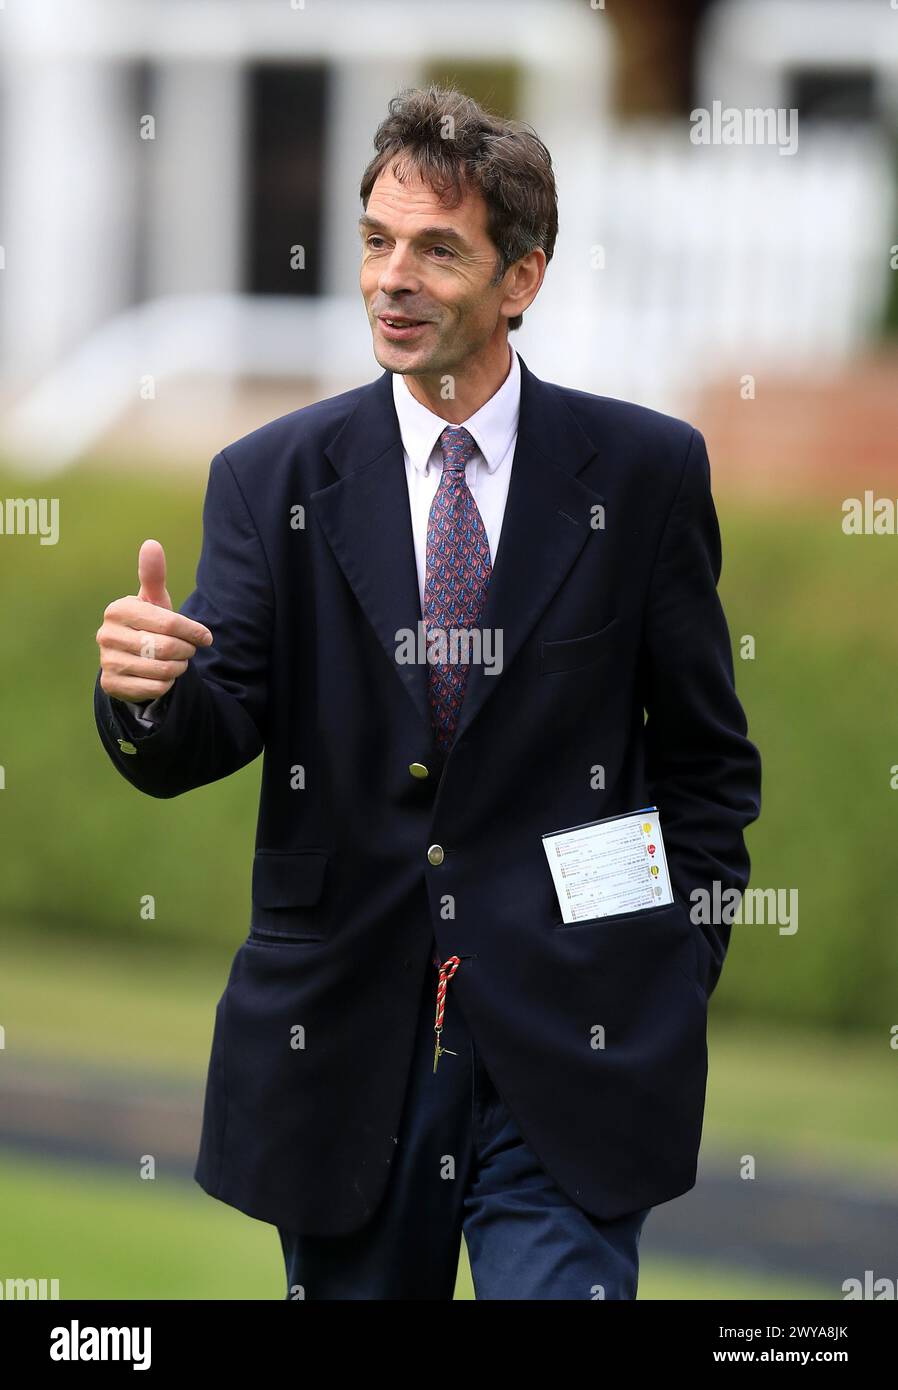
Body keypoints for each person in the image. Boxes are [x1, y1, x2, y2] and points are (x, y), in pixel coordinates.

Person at [93, 85, 762, 1300]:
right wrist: (147, 691)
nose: (391, 278)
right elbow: (211, 724)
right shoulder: (267, 477)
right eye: (375, 241)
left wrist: (670, 963)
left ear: (521, 279)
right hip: (344, 1041)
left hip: (575, 1041)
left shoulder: (648, 473)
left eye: (436, 248)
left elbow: (710, 765)